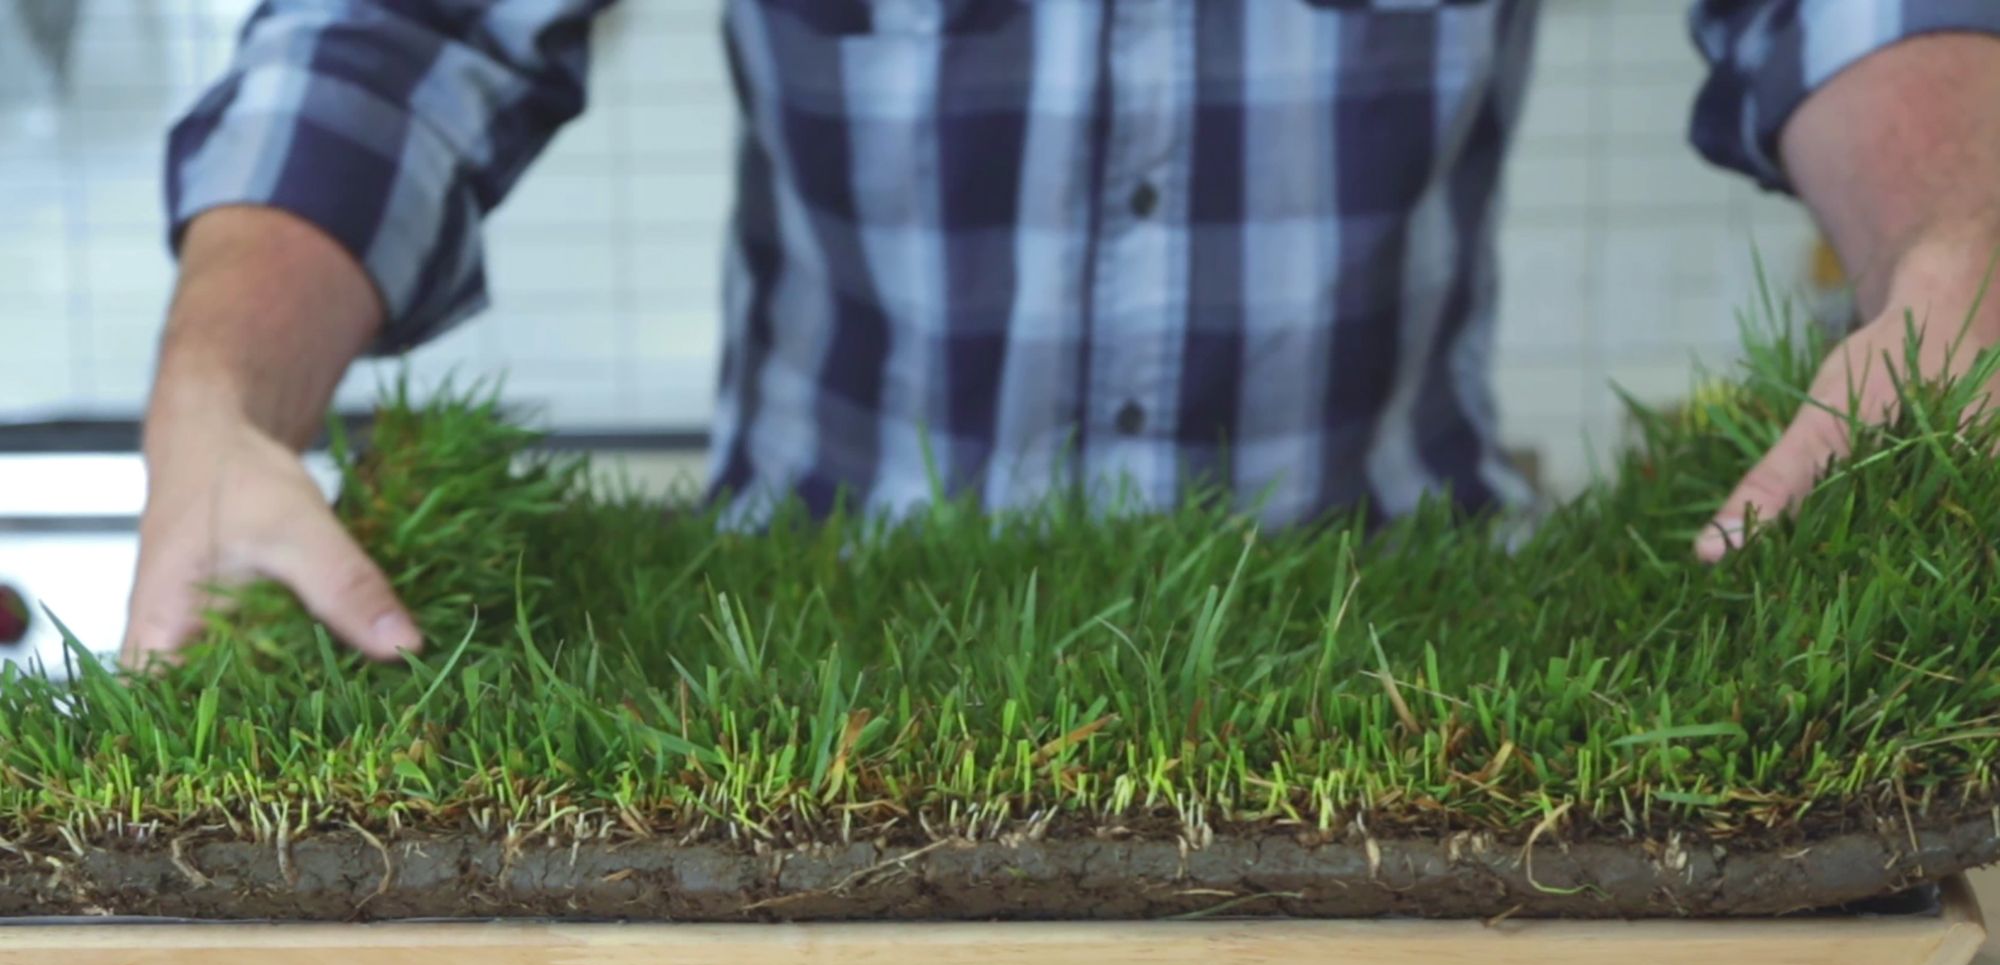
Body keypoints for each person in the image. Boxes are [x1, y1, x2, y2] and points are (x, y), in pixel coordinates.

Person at [124, 1, 2000, 665]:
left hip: (1387, 611)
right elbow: (397, 29)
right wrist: (223, 379)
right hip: (799, 614)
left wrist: (1954, 235)